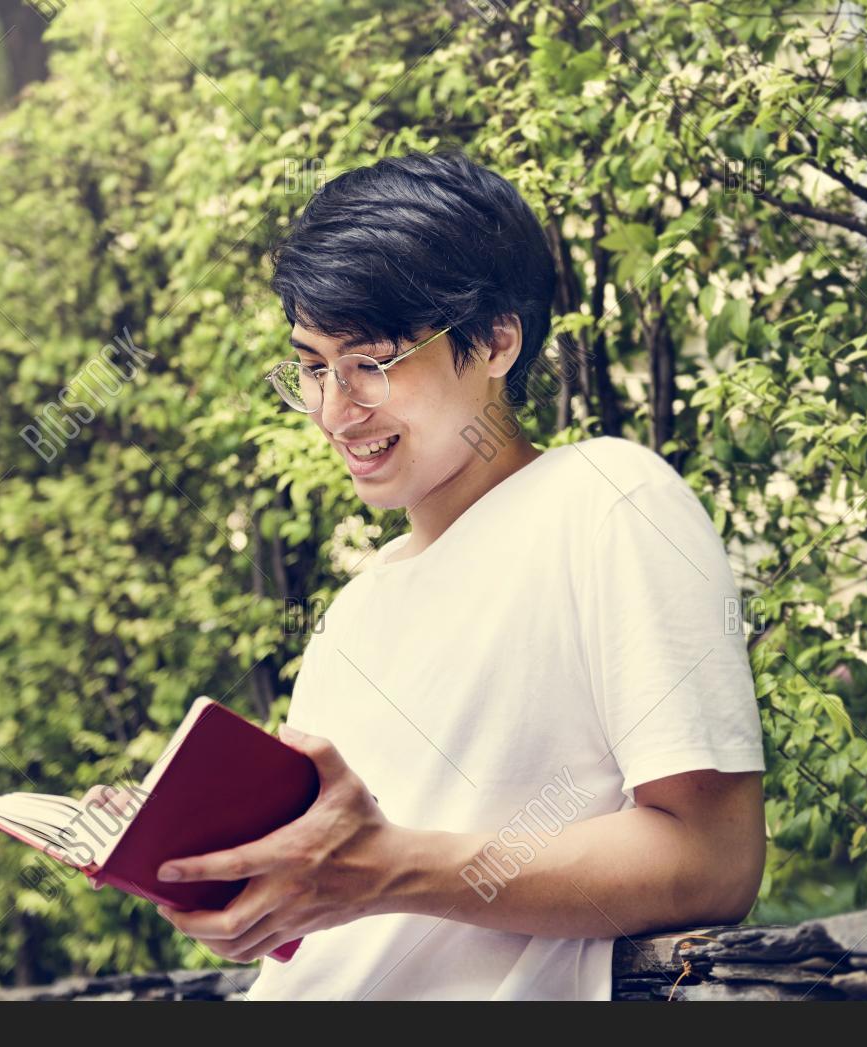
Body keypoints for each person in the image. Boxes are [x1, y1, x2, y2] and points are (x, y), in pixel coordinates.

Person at [98, 149, 766, 999]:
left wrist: (395, 868)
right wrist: (215, 873)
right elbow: (324, 925)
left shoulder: (607, 499)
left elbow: (712, 859)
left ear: (495, 341)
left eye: (371, 362)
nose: (335, 412)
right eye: (311, 366)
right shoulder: (353, 612)